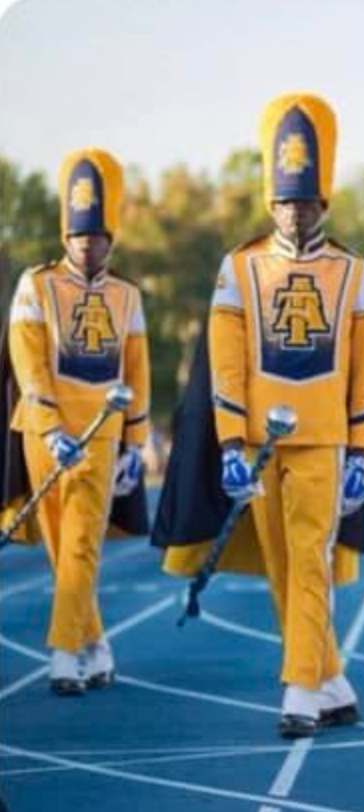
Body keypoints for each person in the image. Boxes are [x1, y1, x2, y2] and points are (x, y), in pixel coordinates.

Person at [152, 93, 364, 738]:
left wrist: (360, 448)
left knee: (310, 561)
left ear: (323, 203)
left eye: (306, 201)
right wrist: (229, 443)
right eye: (285, 201)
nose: (295, 212)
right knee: (283, 567)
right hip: (255, 444)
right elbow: (226, 366)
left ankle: (299, 691)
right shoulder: (239, 267)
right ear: (270, 202)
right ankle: (331, 679)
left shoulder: (352, 271)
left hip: (324, 441)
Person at [1, 149, 150, 695]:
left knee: (83, 544)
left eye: (96, 237)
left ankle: (63, 655)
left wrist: (135, 441)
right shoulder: (34, 285)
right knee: (62, 551)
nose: (87, 246)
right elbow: (27, 361)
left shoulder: (127, 296)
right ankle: (97, 645)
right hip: (45, 435)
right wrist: (49, 427)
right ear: (65, 237)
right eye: (78, 237)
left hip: (102, 436)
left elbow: (138, 371)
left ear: (111, 239)